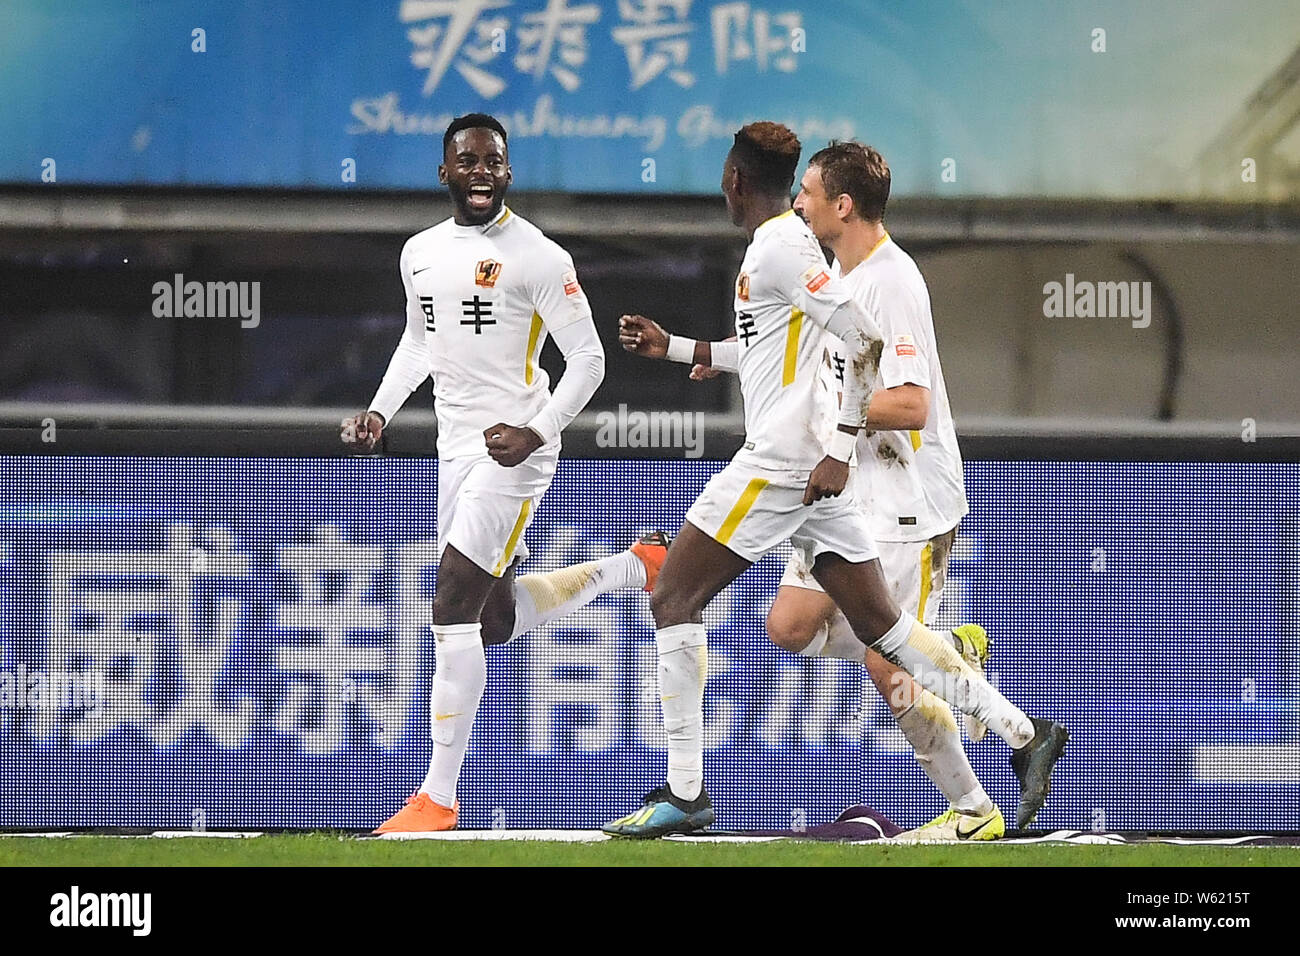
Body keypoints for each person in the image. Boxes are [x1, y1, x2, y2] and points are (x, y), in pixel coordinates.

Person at [607, 122, 1068, 839]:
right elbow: (786, 350)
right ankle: (1015, 728)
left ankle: (687, 792)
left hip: (821, 469)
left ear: (734, 180)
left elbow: (877, 365)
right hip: (831, 472)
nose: (803, 201)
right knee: (841, 628)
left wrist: (839, 438)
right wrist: (682, 349)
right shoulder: (810, 257)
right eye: (799, 189)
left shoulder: (826, 261)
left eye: (813, 192)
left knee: (674, 592)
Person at [677, 140, 1005, 840]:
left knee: (892, 675)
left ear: (842, 206)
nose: (798, 202)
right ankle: (939, 651)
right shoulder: (829, 269)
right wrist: (701, 354)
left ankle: (974, 812)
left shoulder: (892, 282)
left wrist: (825, 418)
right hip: (851, 488)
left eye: (811, 193)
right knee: (789, 625)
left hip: (908, 501)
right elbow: (803, 358)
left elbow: (912, 405)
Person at [342, 112, 630, 833]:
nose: (480, 172)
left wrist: (536, 430)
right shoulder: (418, 254)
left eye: (492, 162)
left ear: (508, 172)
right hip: (457, 451)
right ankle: (635, 567)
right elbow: (419, 341)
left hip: (519, 452)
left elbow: (589, 360)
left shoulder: (539, 256)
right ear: (445, 172)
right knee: (492, 619)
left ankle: (437, 797)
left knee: (449, 602)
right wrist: (379, 412)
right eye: (466, 161)